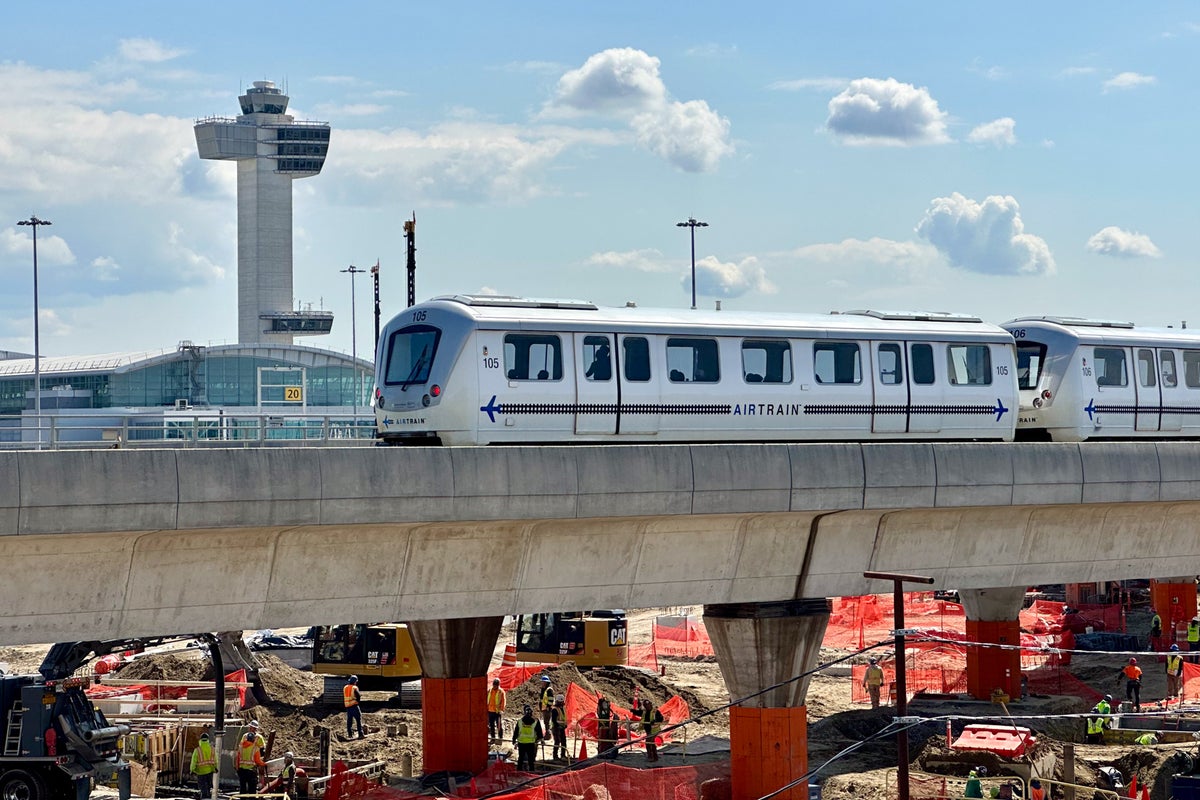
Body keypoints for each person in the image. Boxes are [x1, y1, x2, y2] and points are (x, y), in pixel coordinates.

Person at [512, 705, 543, 772]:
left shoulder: (520, 721)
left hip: (521, 743)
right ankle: (531, 772)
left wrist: (514, 740)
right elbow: (539, 733)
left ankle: (519, 771)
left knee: (520, 758)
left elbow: (516, 732)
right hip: (531, 743)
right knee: (531, 760)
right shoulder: (535, 722)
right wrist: (540, 739)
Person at [236, 729, 266, 795]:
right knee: (252, 790)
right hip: (251, 771)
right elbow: (258, 761)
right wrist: (264, 764)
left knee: (242, 789)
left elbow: (237, 759)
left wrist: (237, 768)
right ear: (253, 739)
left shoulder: (241, 747)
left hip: (242, 771)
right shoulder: (255, 748)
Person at [189, 732, 217, 800]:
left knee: (203, 788)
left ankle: (204, 798)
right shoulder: (212, 749)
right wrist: (215, 768)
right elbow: (215, 760)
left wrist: (192, 770)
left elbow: (193, 761)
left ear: (200, 740)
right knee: (209, 787)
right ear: (208, 740)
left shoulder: (197, 750)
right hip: (210, 771)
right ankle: (209, 797)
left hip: (200, 772)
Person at [640, 698, 663, 763]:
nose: (647, 706)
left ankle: (651, 757)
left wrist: (654, 721)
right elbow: (643, 719)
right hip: (648, 730)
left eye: (648, 704)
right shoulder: (645, 712)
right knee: (652, 744)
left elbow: (661, 718)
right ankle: (655, 757)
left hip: (654, 730)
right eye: (645, 705)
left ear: (650, 704)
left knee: (648, 743)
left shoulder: (655, 711)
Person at [344, 675, 365, 739]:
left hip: (347, 706)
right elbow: (358, 696)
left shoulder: (345, 687)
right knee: (358, 720)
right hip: (354, 705)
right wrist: (357, 702)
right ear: (355, 682)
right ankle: (360, 734)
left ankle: (350, 734)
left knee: (349, 720)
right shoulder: (354, 687)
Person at [550, 694, 569, 761]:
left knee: (563, 741)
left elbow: (563, 718)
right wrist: (558, 726)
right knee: (557, 741)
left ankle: (563, 755)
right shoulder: (555, 710)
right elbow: (554, 720)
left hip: (562, 728)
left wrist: (565, 725)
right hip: (556, 728)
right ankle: (555, 756)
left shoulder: (562, 709)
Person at [538, 675, 555, 740]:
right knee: (546, 722)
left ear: (546, 682)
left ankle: (548, 735)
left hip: (548, 709)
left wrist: (548, 706)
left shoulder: (549, 690)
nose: (542, 683)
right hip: (544, 708)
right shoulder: (543, 690)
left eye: (543, 682)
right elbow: (542, 699)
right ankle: (547, 734)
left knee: (547, 722)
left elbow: (551, 699)